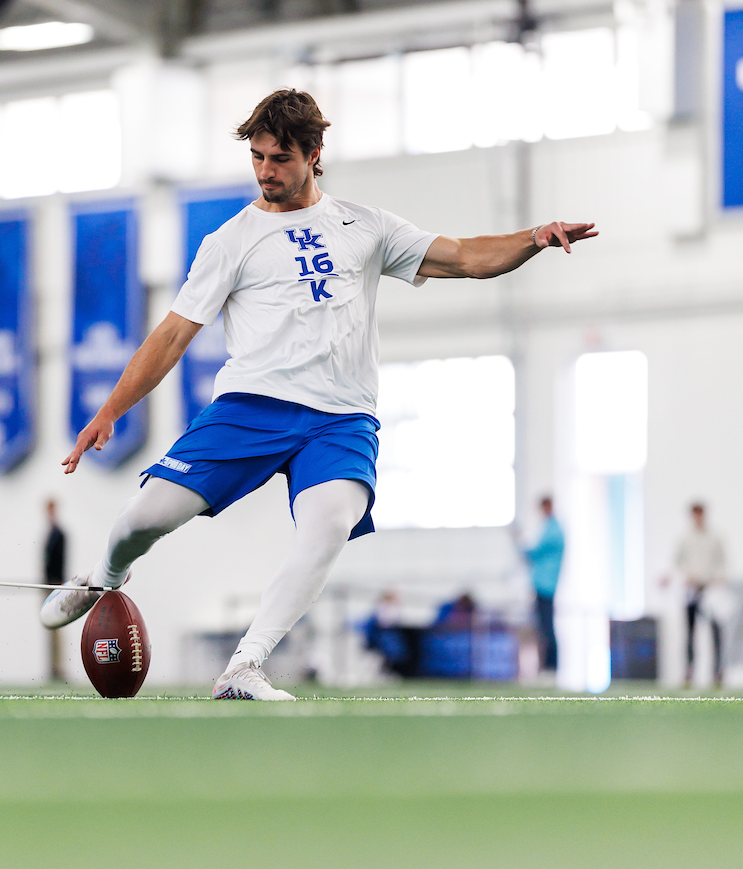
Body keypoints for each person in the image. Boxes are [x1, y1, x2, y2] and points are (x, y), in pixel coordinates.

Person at [40, 88, 597, 700]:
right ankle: (103, 576)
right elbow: (173, 334)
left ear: (315, 153)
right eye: (256, 157)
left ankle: (244, 667)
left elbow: (465, 257)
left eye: (279, 158)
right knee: (146, 518)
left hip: (341, 418)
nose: (265, 172)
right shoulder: (231, 240)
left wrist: (536, 237)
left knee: (330, 522)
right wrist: (110, 411)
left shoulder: (366, 226)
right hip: (251, 407)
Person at [666, 503, 727, 686]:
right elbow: (677, 562)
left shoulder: (715, 537)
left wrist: (717, 578)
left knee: (716, 633)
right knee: (690, 633)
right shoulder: (684, 538)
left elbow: (722, 561)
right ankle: (689, 671)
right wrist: (687, 575)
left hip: (711, 591)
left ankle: (717, 673)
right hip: (692, 591)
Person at [521, 496, 565, 674]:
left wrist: (519, 543)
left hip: (545, 586)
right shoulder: (550, 528)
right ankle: (547, 666)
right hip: (543, 585)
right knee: (543, 627)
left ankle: (550, 667)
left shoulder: (553, 530)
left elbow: (533, 554)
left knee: (546, 627)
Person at [43, 499, 67, 682]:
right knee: (50, 627)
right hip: (48, 584)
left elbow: (60, 561)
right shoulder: (51, 532)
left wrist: (57, 584)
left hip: (55, 585)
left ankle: (58, 668)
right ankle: (53, 667)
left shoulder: (59, 533)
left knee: (56, 626)